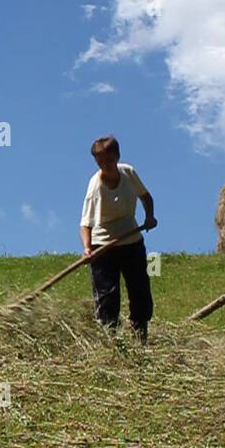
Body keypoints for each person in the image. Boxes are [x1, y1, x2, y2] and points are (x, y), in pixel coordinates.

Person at [80, 136, 158, 343]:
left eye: (109, 160)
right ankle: (109, 341)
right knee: (107, 295)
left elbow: (146, 197)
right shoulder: (95, 186)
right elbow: (85, 223)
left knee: (140, 290)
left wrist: (149, 216)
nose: (105, 166)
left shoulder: (128, 173)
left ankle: (140, 337)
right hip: (103, 247)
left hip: (131, 240)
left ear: (117, 157)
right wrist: (87, 248)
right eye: (100, 162)